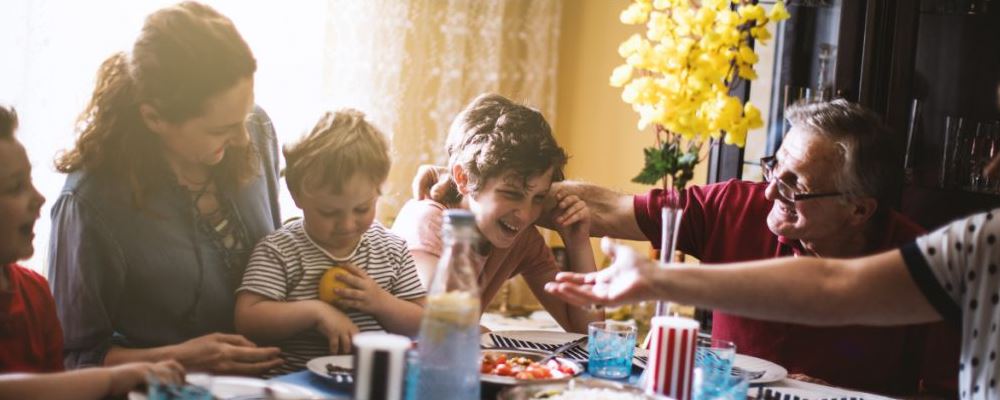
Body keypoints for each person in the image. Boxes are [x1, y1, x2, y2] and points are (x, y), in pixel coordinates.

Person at [416, 99, 959, 395]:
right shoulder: (735, 204)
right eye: (774, 167)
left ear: (859, 209)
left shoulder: (924, 263)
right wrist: (472, 190)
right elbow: (610, 208)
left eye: (794, 185)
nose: (769, 190)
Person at [546, 205, 1000, 399]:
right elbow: (830, 287)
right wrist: (658, 278)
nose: (993, 167)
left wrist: (659, 279)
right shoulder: (983, 242)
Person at [49, 2, 283, 374]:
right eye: (220, 130)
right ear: (154, 117)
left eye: (245, 117)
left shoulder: (256, 132)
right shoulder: (90, 203)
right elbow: (72, 359)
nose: (242, 139)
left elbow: (277, 263)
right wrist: (181, 358)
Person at [0, 104, 186, 399]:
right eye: (14, 187)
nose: (39, 197)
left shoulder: (35, 293)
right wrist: (111, 379)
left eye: (30, 181)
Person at [235, 109, 426, 376]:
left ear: (378, 191)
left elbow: (423, 322)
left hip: (371, 383)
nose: (347, 225)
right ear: (297, 195)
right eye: (329, 212)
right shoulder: (280, 250)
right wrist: (315, 312)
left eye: (361, 209)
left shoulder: (391, 250)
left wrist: (380, 302)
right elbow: (248, 319)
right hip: (293, 387)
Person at [393, 93, 601, 333]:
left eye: (539, 198)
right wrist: (489, 338)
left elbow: (588, 330)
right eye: (511, 194)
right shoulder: (428, 221)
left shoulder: (522, 239)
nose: (524, 215)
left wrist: (578, 243)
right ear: (464, 178)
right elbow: (438, 322)